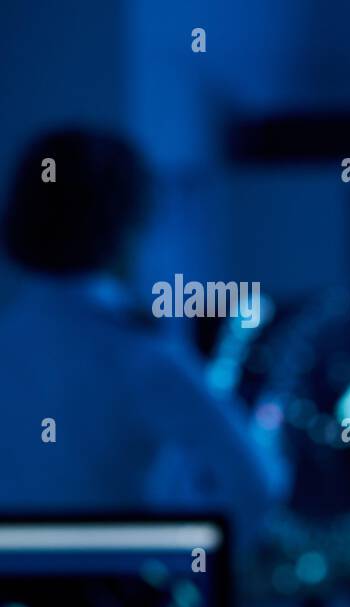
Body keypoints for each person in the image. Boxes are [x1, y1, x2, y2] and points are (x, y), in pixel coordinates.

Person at [0, 129, 285, 552]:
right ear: (126, 226)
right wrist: (186, 570)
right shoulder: (139, 354)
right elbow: (259, 485)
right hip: (119, 602)